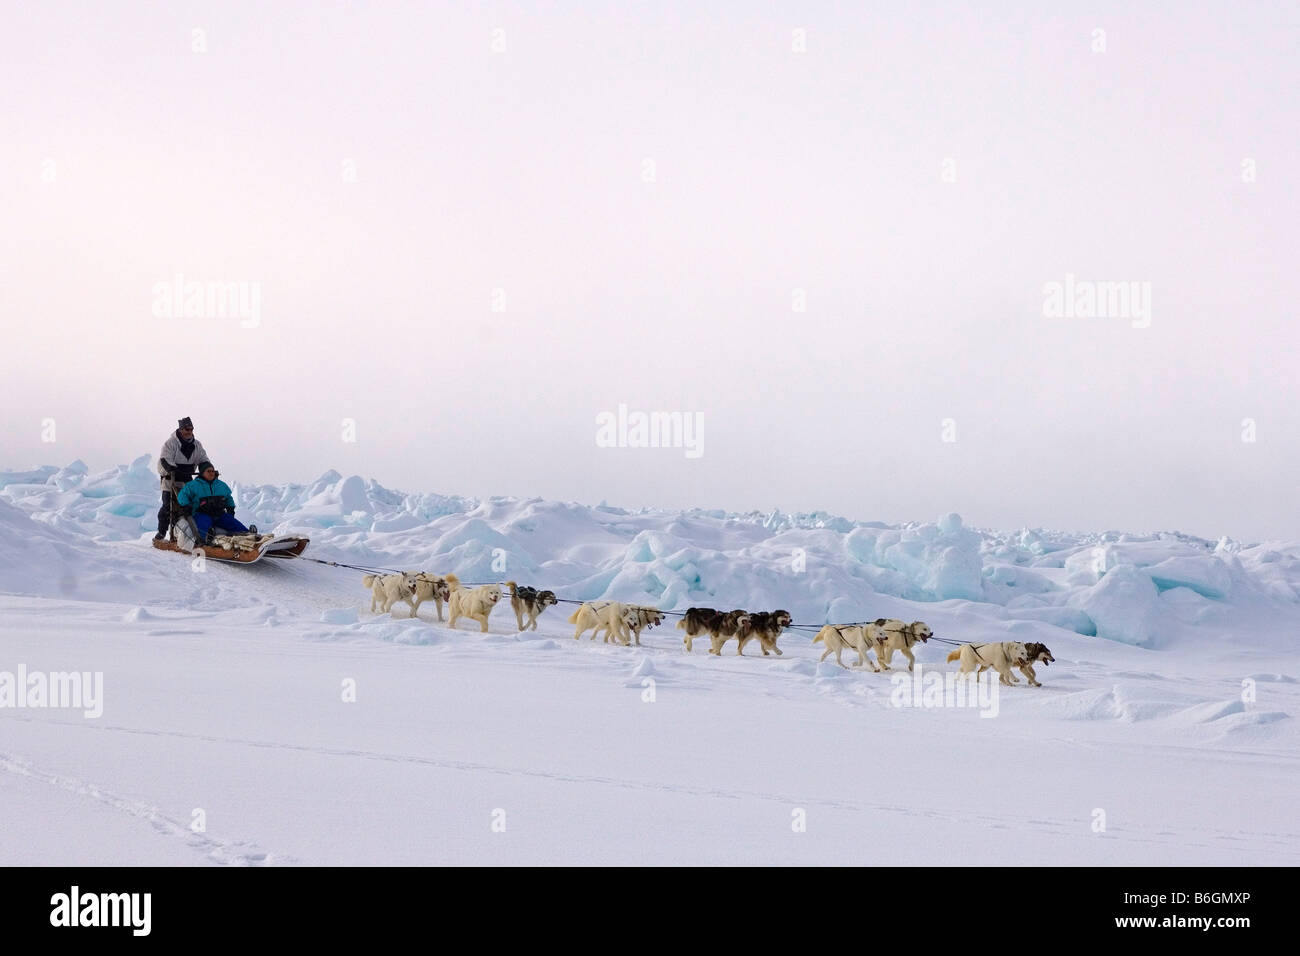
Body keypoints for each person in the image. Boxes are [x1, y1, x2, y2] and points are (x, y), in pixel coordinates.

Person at [176, 461, 258, 544]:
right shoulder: (193, 485)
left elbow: (228, 498)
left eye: (212, 471)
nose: (211, 473)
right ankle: (205, 541)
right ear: (202, 473)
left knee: (232, 522)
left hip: (219, 514)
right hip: (201, 514)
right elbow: (182, 495)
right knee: (203, 526)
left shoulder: (221, 485)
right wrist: (186, 506)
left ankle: (249, 535)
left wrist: (230, 508)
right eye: (208, 471)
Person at [155, 416, 209, 540]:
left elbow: (203, 459)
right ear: (180, 429)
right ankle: (162, 532)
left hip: (187, 480)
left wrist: (207, 469)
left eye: (191, 429)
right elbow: (165, 459)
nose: (189, 432)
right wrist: (174, 470)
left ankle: (188, 533)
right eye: (187, 429)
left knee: (190, 506)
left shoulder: (197, 445)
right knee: (168, 506)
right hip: (170, 479)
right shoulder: (170, 443)